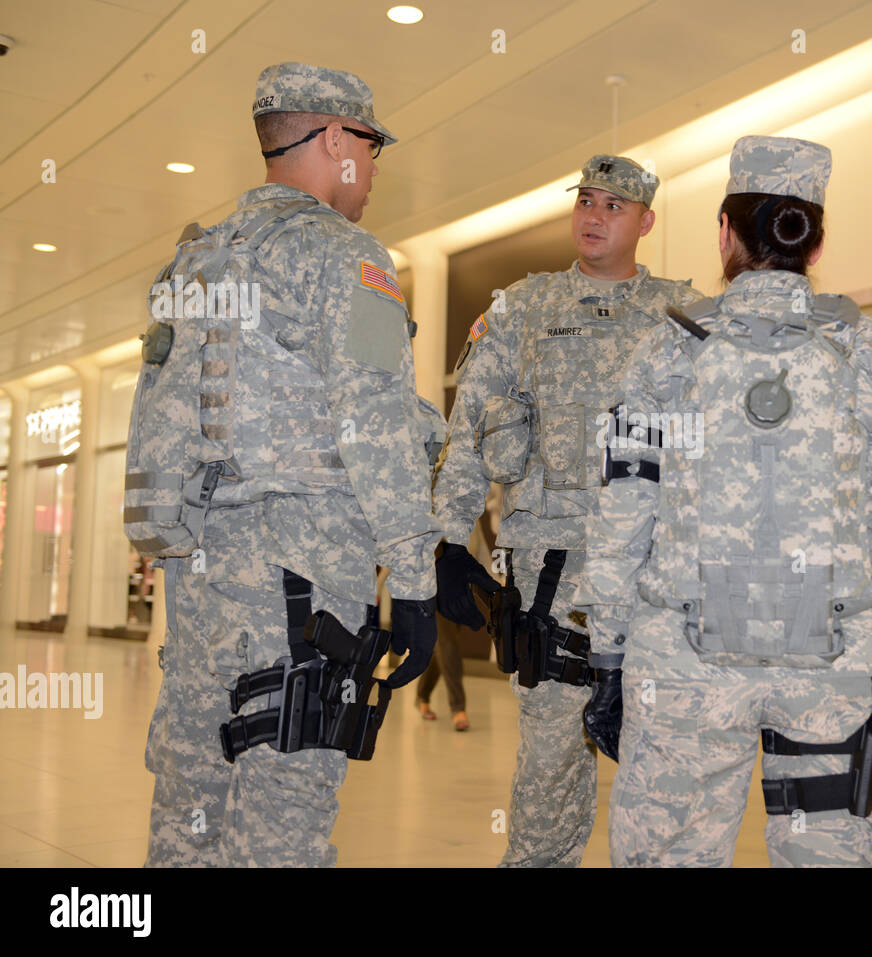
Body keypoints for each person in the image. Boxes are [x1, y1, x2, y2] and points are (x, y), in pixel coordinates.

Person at [575, 135, 872, 867]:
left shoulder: (668, 354)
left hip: (682, 659)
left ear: (726, 233)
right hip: (832, 657)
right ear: (817, 243)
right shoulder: (868, 352)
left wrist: (606, 656)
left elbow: (620, 513)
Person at [134, 62, 439, 867]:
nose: (373, 171)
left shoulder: (195, 262)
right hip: (299, 595)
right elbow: (372, 421)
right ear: (336, 139)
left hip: (201, 584)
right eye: (372, 148)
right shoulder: (344, 256)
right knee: (281, 823)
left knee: (189, 809)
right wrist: (413, 578)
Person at [433, 155, 701, 867]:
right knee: (550, 764)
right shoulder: (523, 308)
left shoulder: (684, 316)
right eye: (585, 200)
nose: (593, 214)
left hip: (654, 577)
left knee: (665, 768)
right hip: (551, 580)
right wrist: (447, 542)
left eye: (614, 205)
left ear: (646, 221)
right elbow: (466, 430)